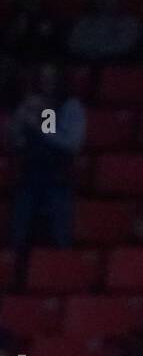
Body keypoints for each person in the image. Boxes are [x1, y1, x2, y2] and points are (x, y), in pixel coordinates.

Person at [7, 64, 85, 258]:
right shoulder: (36, 103)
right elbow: (18, 140)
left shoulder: (67, 105)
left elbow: (65, 141)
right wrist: (20, 118)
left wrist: (38, 123)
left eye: (51, 78)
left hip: (57, 179)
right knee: (19, 236)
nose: (47, 82)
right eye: (43, 78)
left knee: (59, 237)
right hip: (29, 178)